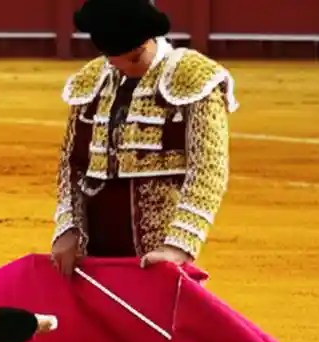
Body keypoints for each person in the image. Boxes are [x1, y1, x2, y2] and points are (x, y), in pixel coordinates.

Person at [50, 0, 239, 277]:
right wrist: (68, 228)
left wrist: (179, 245)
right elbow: (73, 163)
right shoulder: (92, 79)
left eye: (134, 59)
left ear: (149, 41)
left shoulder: (194, 78)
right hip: (95, 239)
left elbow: (207, 170)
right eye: (114, 61)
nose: (124, 67)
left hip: (159, 238)